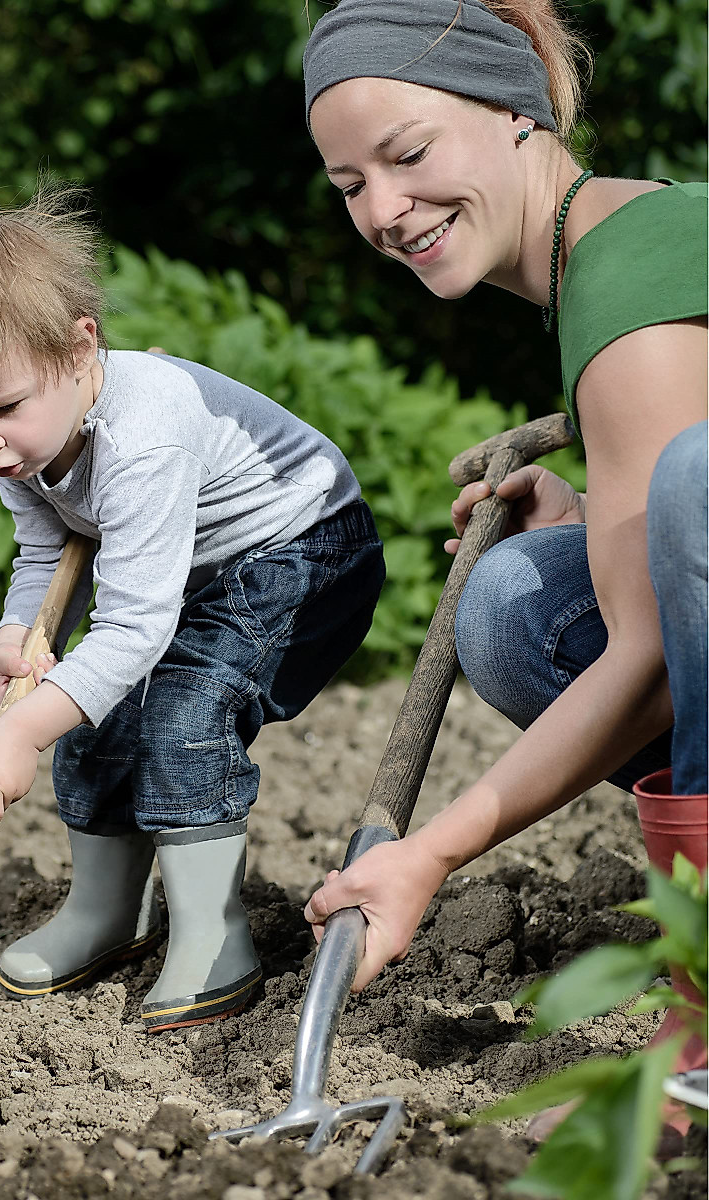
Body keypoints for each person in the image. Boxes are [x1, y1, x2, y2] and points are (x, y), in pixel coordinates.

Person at [298, 0, 707, 1129]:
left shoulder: (628, 291)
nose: (384, 210)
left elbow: (652, 660)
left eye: (409, 155)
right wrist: (594, 510)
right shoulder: (615, 244)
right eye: (349, 185)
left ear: (517, 108)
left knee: (695, 484)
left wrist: (428, 855)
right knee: (517, 606)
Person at [0, 190, 385, 1031]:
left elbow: (135, 628)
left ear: (81, 349)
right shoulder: (30, 445)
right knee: (95, 711)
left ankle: (212, 933)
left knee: (182, 710)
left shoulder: (143, 439)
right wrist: (20, 632)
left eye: (2, 409)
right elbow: (47, 552)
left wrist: (20, 731)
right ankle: (107, 911)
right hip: (190, 567)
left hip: (303, 551)